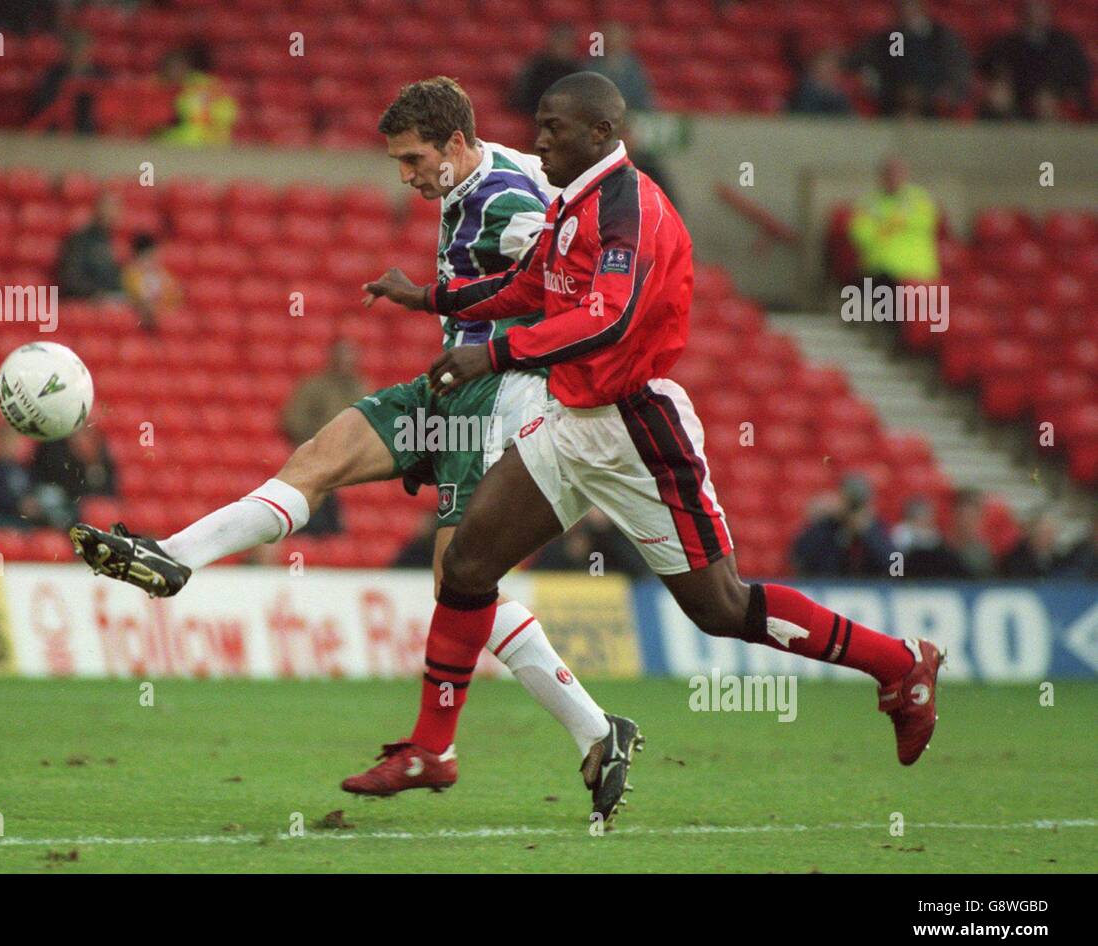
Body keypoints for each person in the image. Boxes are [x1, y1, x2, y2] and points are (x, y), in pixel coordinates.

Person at [361, 73, 945, 825]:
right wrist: (432, 300)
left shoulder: (631, 207)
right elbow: (528, 286)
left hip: (636, 429)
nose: (539, 140)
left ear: (601, 134)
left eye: (555, 128)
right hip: (571, 421)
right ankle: (431, 749)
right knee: (467, 567)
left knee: (721, 607)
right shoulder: (571, 203)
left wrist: (493, 357)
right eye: (538, 125)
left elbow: (606, 320)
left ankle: (901, 665)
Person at [68, 77, 634, 818]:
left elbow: (570, 275)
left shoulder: (502, 200)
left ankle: (589, 731)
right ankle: (176, 557)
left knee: (459, 584)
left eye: (412, 159)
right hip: (448, 384)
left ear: (455, 145)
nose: (404, 176)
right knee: (319, 458)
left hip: (496, 396)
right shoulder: (487, 170)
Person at [279, 339, 368, 536]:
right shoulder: (313, 387)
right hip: (316, 455)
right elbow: (293, 421)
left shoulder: (361, 390)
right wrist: (320, 440)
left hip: (348, 459)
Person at [848, 0, 970, 116]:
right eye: (905, 7)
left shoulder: (940, 37)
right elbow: (890, 66)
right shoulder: (893, 38)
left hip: (932, 102)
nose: (908, 11)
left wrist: (935, 94)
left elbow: (955, 68)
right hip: (894, 102)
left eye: (912, 6)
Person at [980, 0, 1091, 120]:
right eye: (1033, 10)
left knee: (1045, 103)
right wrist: (1000, 83)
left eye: (1041, 10)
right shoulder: (1007, 43)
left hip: (1054, 94)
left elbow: (1080, 74)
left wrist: (1058, 92)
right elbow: (988, 67)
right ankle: (1012, 133)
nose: (1037, 15)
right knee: (998, 98)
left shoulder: (1065, 43)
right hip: (1017, 93)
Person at [848, 157, 940, 287]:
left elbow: (925, 222)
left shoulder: (919, 198)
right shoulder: (868, 202)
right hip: (877, 271)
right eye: (888, 173)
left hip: (914, 274)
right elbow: (860, 233)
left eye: (897, 172)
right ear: (881, 176)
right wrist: (898, 223)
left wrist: (882, 227)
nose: (893, 177)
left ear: (905, 174)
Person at [792, 477, 896, 577]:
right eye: (849, 503)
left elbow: (895, 567)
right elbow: (801, 557)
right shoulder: (827, 525)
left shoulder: (875, 527)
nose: (852, 509)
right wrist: (840, 534)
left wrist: (868, 534)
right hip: (828, 586)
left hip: (871, 588)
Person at [31, 30, 107, 134]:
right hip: (57, 134)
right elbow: (45, 107)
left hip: (93, 135)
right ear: (66, 50)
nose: (78, 53)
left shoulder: (102, 76)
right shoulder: (53, 76)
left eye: (82, 49)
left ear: (90, 49)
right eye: (74, 49)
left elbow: (106, 110)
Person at [157, 49, 238, 147]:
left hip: (197, 140)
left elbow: (196, 117)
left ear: (184, 67)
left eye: (173, 69)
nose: (170, 73)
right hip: (216, 140)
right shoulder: (207, 83)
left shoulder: (195, 88)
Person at [57, 194, 123, 299]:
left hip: (111, 300)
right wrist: (96, 293)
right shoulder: (80, 240)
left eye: (115, 210)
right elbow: (71, 277)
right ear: (96, 211)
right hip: (85, 300)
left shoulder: (113, 242)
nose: (111, 215)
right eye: (107, 210)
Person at [509, 24, 580, 117]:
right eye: (560, 43)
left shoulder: (576, 70)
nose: (563, 47)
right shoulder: (537, 68)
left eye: (567, 43)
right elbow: (522, 96)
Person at [891, 497, 969, 578]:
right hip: (905, 577)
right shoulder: (902, 532)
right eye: (921, 515)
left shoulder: (934, 535)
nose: (925, 519)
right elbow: (896, 562)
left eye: (927, 515)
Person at [585, 22, 654, 112]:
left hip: (629, 116)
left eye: (617, 38)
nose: (614, 42)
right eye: (610, 37)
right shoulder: (593, 66)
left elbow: (642, 98)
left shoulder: (635, 69)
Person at [121, 233, 181, 328]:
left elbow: (175, 297)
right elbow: (136, 298)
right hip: (139, 320)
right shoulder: (131, 274)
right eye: (149, 255)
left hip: (163, 320)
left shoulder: (163, 275)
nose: (154, 259)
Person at [788, 51, 854, 115]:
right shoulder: (801, 93)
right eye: (825, 70)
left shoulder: (839, 96)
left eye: (831, 70)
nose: (828, 74)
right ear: (814, 71)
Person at [1000, 510, 1062, 578]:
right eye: (1043, 532)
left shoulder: (1061, 559)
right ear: (1033, 532)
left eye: (1051, 533)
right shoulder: (1016, 558)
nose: (1047, 537)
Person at [947, 489, 994, 577]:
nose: (966, 522)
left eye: (971, 517)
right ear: (954, 514)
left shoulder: (982, 553)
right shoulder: (938, 547)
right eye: (963, 515)